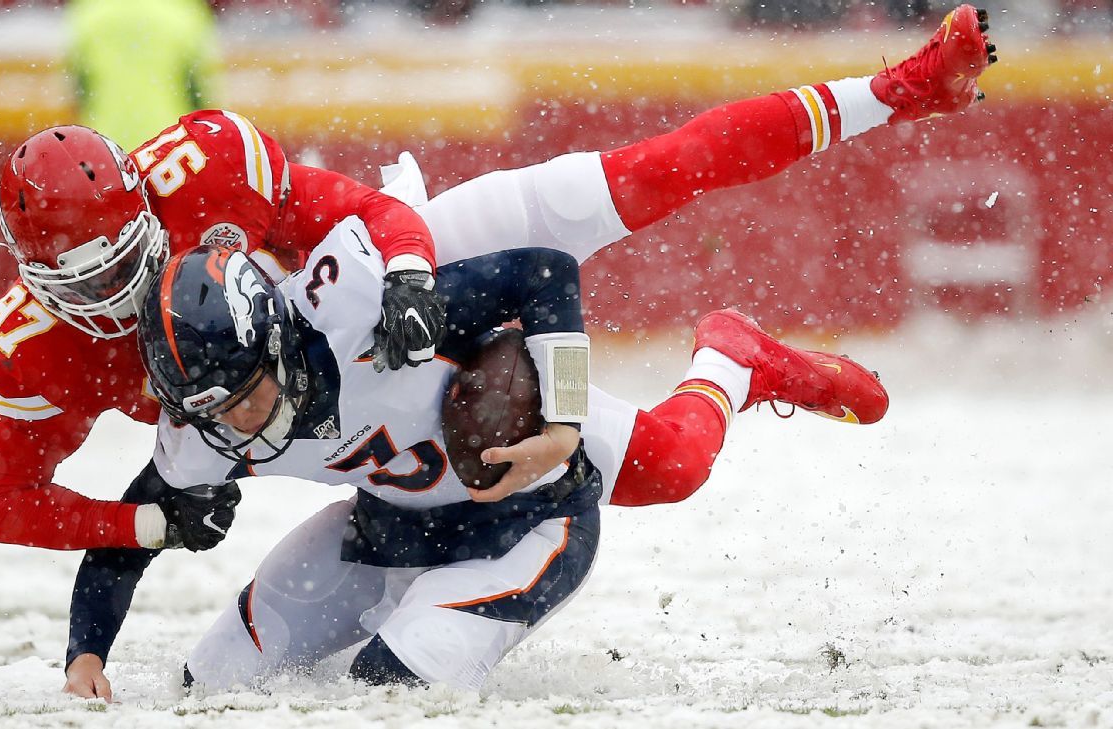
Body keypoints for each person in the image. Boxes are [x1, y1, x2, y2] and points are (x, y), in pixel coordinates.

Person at [0, 4, 993, 562]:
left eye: (127, 259)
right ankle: (735, 361)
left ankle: (898, 90)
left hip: (372, 298)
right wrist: (135, 524)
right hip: (368, 424)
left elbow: (362, 217)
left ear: (149, 208)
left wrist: (413, 271)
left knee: (648, 172)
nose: (116, 296)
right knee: (671, 470)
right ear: (32, 278)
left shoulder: (206, 166)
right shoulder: (36, 350)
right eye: (85, 281)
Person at [65, 217, 889, 694]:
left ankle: (728, 362)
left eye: (242, 390)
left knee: (388, 693)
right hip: (386, 526)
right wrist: (85, 657)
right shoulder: (212, 423)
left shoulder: (358, 321)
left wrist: (562, 418)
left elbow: (546, 270)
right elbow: (125, 534)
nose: (238, 422)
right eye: (210, 409)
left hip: (523, 510)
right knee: (204, 693)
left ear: (275, 337)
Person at [67, 0, 221, 152]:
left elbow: (80, 89)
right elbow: (201, 92)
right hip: (169, 146)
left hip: (106, 143)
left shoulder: (89, 12)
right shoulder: (184, 12)